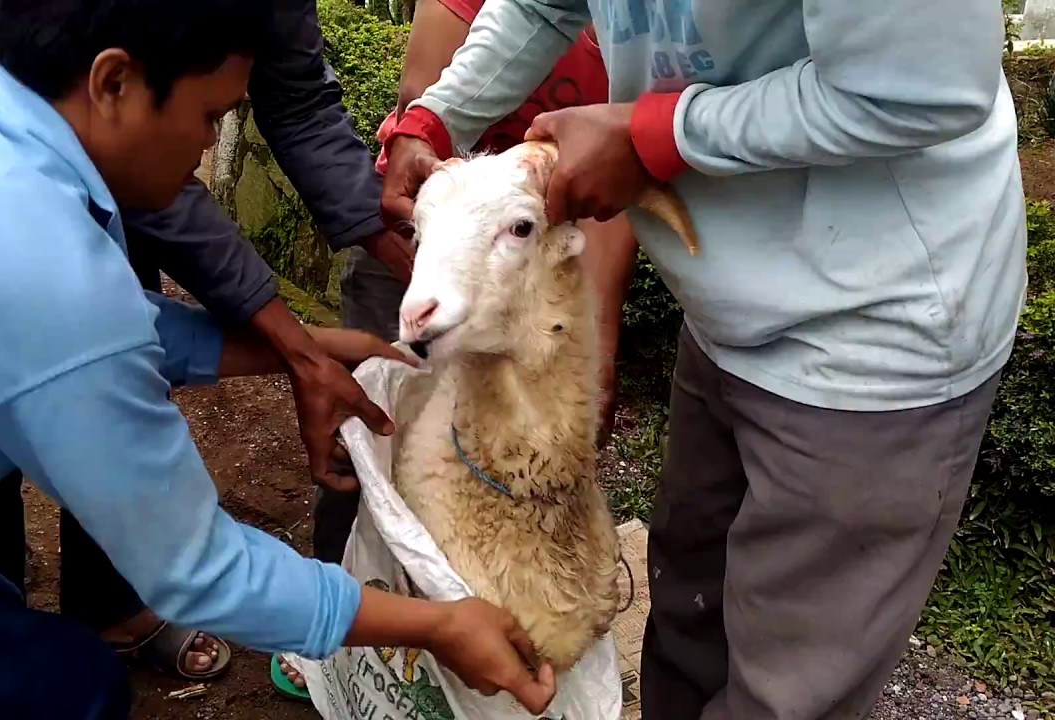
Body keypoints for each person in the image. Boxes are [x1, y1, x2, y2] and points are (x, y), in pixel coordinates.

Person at [0, 0, 560, 717]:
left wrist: (302, 348)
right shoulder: (41, 271)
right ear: (113, 81)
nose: (209, 145)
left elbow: (98, 330)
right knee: (70, 686)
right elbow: (197, 569)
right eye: (210, 114)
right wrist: (439, 623)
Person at [381, 1, 1027, 719]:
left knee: (785, 687)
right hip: (728, 303)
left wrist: (658, 131)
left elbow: (924, 83)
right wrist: (439, 114)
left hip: (873, 329)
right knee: (688, 611)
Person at [276, 0, 641, 694]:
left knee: (523, 457)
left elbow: (611, 192)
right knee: (366, 440)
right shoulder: (476, 4)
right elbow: (422, 104)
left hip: (530, 272)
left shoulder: (631, 34)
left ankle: (490, 624)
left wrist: (601, 323)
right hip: (420, 255)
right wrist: (440, 219)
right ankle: (343, 623)